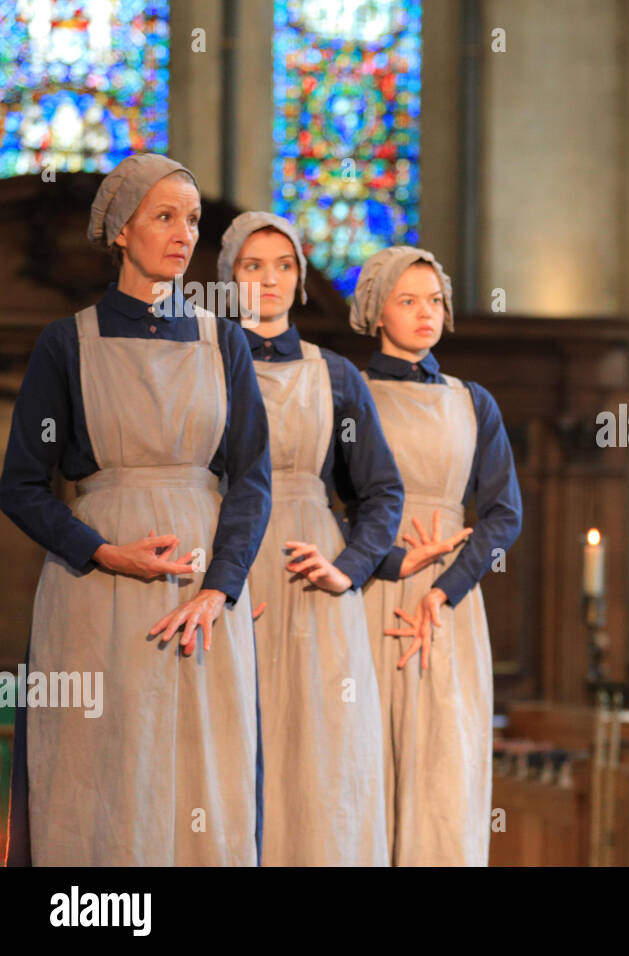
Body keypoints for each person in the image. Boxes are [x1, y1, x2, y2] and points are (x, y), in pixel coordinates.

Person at [0, 154, 271, 865]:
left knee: (205, 774)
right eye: (163, 217)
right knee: (102, 775)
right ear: (120, 230)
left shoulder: (225, 342)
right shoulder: (68, 342)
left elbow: (252, 480)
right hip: (98, 592)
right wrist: (101, 550)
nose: (183, 234)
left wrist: (221, 585)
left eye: (192, 220)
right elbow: (21, 482)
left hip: (204, 599)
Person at [220, 211, 442, 864]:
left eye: (284, 265)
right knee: (228, 746)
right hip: (230, 576)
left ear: (301, 277)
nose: (270, 280)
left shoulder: (336, 375)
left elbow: (381, 493)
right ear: (227, 277)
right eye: (252, 266)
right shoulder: (203, 363)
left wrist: (348, 568)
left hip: (315, 584)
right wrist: (216, 576)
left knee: (319, 752)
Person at [351, 246, 522, 866]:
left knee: (444, 770)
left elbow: (504, 514)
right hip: (366, 593)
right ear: (376, 312)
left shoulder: (472, 400)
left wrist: (444, 589)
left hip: (446, 602)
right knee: (365, 764)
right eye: (407, 300)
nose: (426, 313)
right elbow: (324, 503)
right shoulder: (351, 394)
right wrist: (385, 561)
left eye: (434, 300)